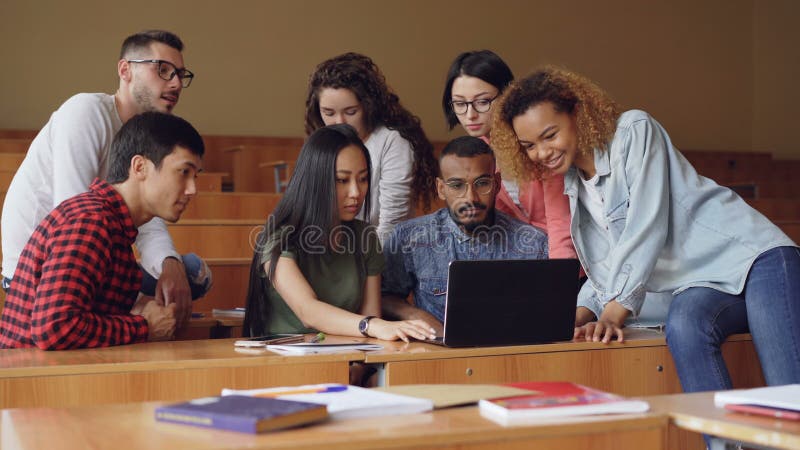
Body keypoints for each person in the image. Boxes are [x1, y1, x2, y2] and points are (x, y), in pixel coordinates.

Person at [491, 66, 800, 393]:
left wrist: (613, 312)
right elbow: (608, 265)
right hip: (702, 282)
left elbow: (646, 227)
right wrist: (579, 314)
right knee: (683, 326)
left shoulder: (633, 131)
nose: (541, 153)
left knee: (787, 390)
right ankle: (723, 445)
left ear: (577, 113)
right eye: (529, 146)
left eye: (549, 135)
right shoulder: (573, 186)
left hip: (758, 259)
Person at [1, 30, 210, 328]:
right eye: (163, 70)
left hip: (97, 254)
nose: (175, 83)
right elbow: (72, 216)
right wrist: (141, 309)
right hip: (45, 270)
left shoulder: (144, 135)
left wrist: (169, 263)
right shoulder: (86, 112)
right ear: (125, 70)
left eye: (180, 74)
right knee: (165, 293)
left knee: (191, 272)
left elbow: (146, 211)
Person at [0, 112, 204, 349]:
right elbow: (54, 328)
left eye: (196, 176)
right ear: (140, 167)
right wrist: (144, 326)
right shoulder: (91, 221)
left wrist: (138, 313)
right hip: (34, 378)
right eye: (184, 172)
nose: (192, 189)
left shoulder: (111, 223)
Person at [243, 124, 437, 342]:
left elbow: (370, 316)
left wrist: (359, 367)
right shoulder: (277, 238)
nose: (355, 192)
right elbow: (309, 312)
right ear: (316, 180)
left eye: (363, 179)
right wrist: (371, 325)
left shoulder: (365, 236)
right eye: (342, 180)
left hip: (351, 357)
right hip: (289, 362)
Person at [381, 136, 549, 334]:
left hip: (508, 357)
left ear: (496, 184)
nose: (471, 198)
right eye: (457, 185)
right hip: (437, 356)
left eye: (482, 183)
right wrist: (415, 315)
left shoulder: (534, 244)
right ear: (441, 189)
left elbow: (546, 312)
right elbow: (384, 297)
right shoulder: (409, 237)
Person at [442, 50, 575, 259]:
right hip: (518, 261)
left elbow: (561, 223)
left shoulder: (534, 141)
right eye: (460, 104)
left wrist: (558, 278)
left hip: (565, 260)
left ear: (506, 94)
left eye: (482, 101)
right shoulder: (479, 152)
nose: (470, 115)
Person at [304, 52, 438, 240]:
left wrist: (362, 265)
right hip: (339, 251)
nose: (340, 121)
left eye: (351, 112)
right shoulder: (324, 144)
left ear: (368, 106)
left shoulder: (391, 141)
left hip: (383, 254)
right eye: (328, 112)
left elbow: (391, 225)